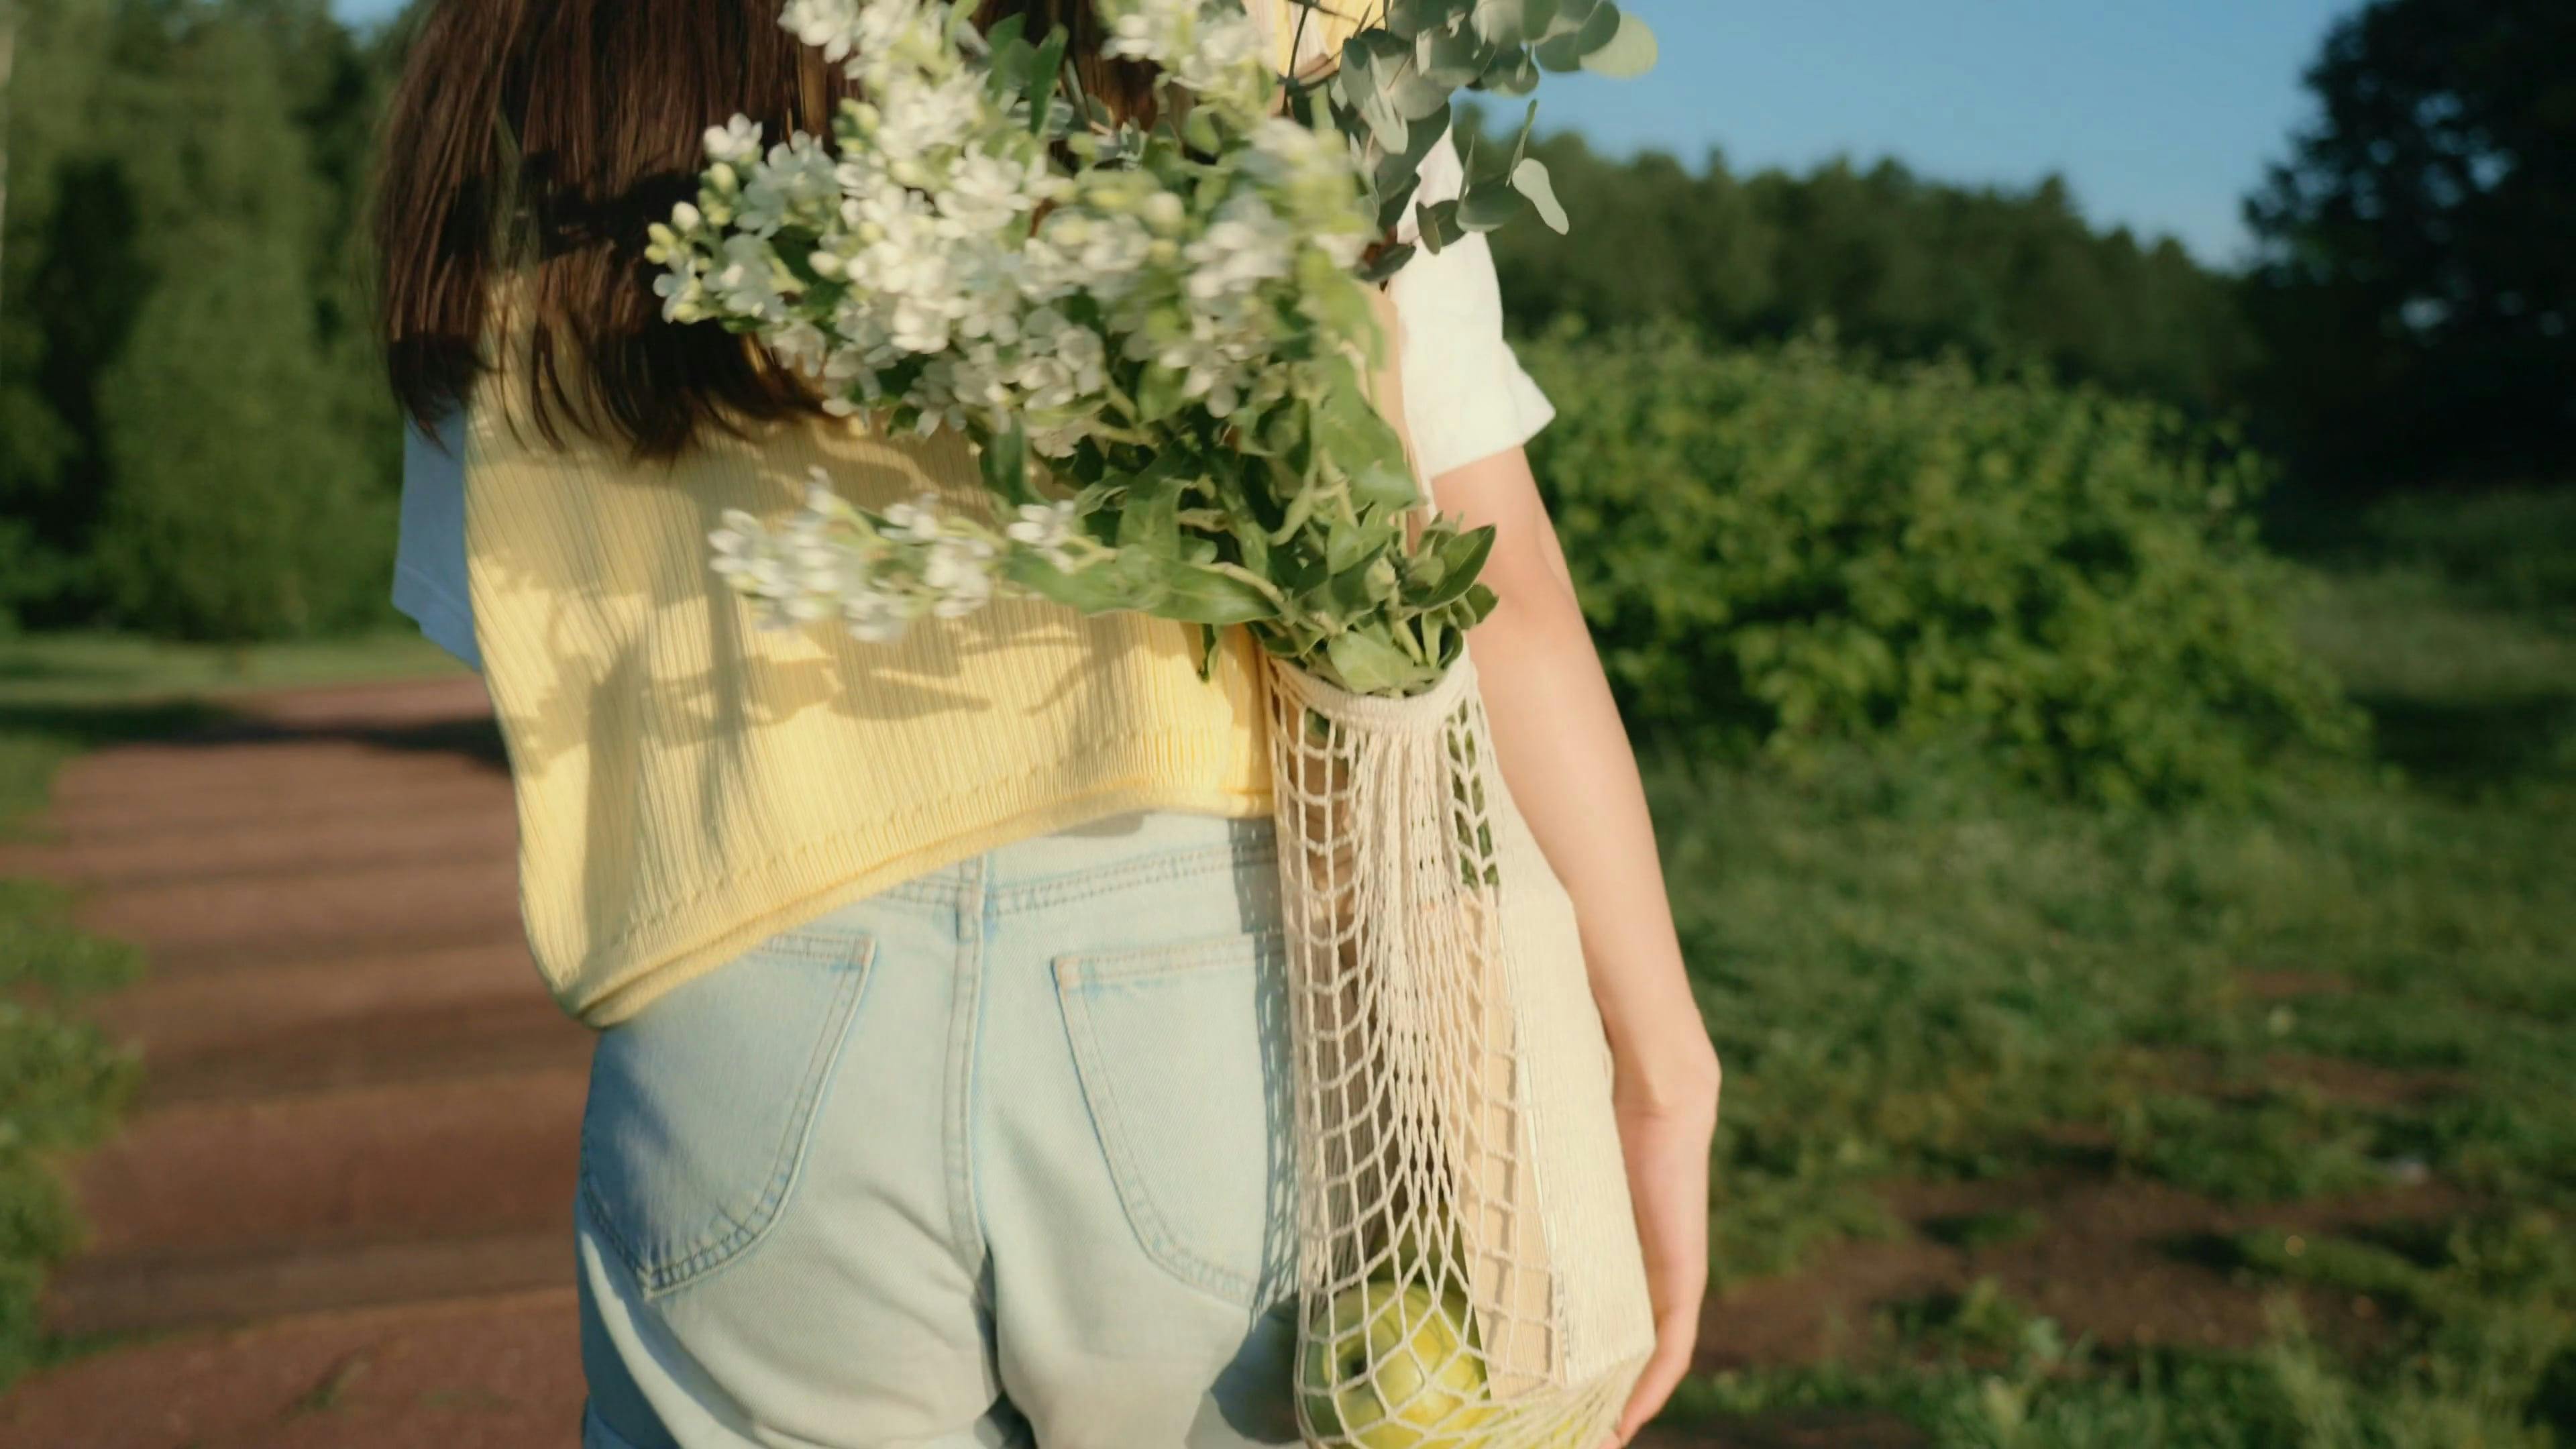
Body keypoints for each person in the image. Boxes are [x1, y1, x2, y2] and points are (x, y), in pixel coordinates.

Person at [372, 2, 1721, 1446]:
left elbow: (514, 612)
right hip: (1220, 997)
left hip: (735, 1013)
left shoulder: (532, 55)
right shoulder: (1291, 23)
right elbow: (1492, 574)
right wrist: (1658, 1057)